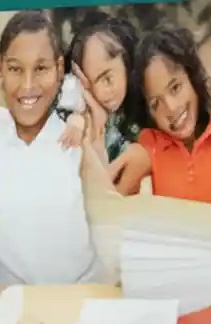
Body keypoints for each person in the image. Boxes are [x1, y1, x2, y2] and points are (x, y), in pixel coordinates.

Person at [0, 11, 104, 287]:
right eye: (15, 69)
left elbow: (112, 233)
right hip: (16, 315)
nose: (28, 85)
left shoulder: (79, 145)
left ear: (59, 69)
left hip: (82, 302)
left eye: (41, 68)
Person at [130, 27, 211, 207]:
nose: (171, 108)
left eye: (175, 88)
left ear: (192, 78)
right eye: (156, 103)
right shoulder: (150, 147)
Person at [66, 13, 150, 195]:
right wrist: (96, 122)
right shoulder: (81, 119)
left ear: (127, 63)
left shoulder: (149, 104)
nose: (101, 92)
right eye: (91, 82)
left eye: (107, 78)